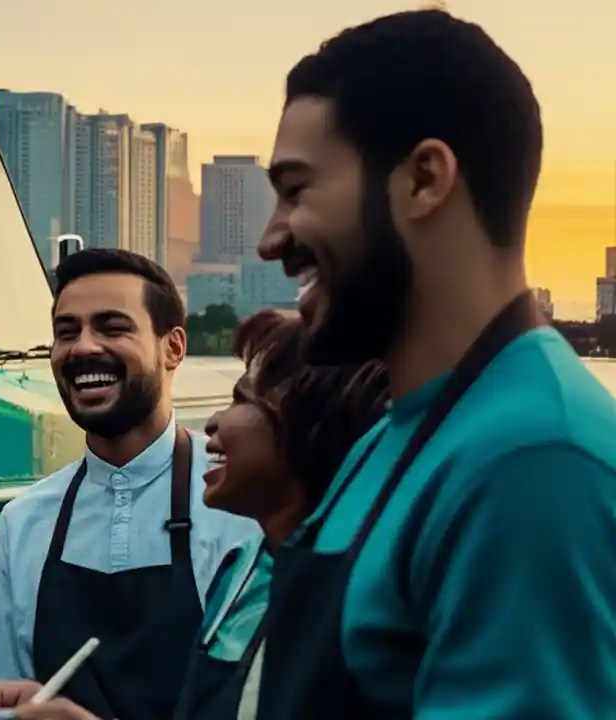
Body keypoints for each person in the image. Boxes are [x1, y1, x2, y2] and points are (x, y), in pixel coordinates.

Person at [251, 8, 616, 718]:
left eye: (296, 191)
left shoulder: (534, 462)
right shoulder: (397, 435)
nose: (271, 239)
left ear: (423, 180)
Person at [0, 310, 389, 720]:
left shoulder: (353, 600)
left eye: (241, 399)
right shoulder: (245, 569)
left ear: (307, 427)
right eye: (65, 331)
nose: (215, 422)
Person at [0, 248, 258, 720]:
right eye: (67, 332)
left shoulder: (237, 505)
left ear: (173, 348)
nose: (83, 348)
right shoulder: (24, 522)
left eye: (112, 327)